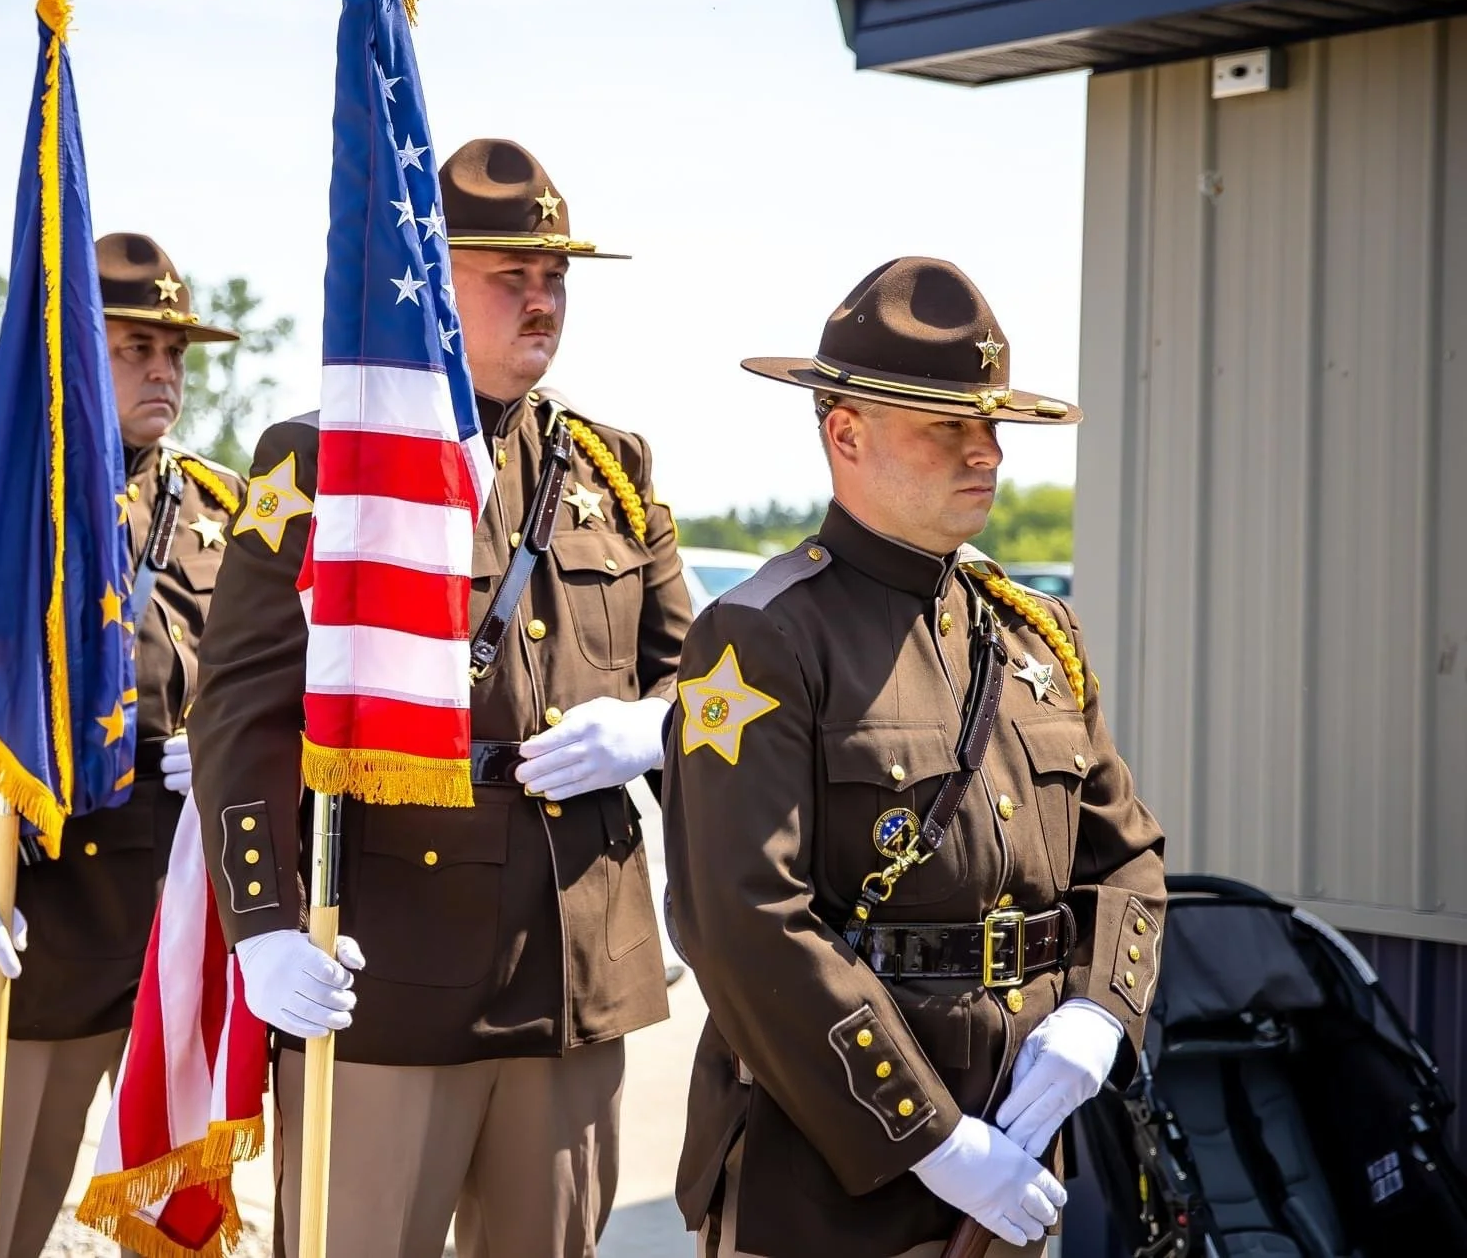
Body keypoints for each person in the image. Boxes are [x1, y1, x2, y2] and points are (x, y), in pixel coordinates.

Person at [189, 139, 693, 1258]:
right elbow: (238, 710)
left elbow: (700, 684)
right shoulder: (325, 461)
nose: (542, 298)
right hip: (391, 967)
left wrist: (649, 728)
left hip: (572, 962)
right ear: (426, 274)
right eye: (509, 274)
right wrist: (263, 926)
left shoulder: (613, 469)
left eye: (555, 275)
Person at [661, 256, 1168, 1258]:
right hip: (830, 1164)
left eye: (992, 427)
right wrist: (925, 1138)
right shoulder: (760, 636)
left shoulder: (1031, 633)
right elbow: (741, 920)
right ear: (844, 432)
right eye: (947, 426)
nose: (985, 453)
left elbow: (1126, 859)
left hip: (1019, 1142)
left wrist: (1100, 1016)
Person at [0, 233, 247, 1258]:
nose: (165, 372)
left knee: (177, 1215)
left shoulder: (222, 509)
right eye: (137, 347)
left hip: (179, 911)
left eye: (175, 352)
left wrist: (224, 742)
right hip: (42, 903)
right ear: (79, 352)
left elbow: (270, 674)